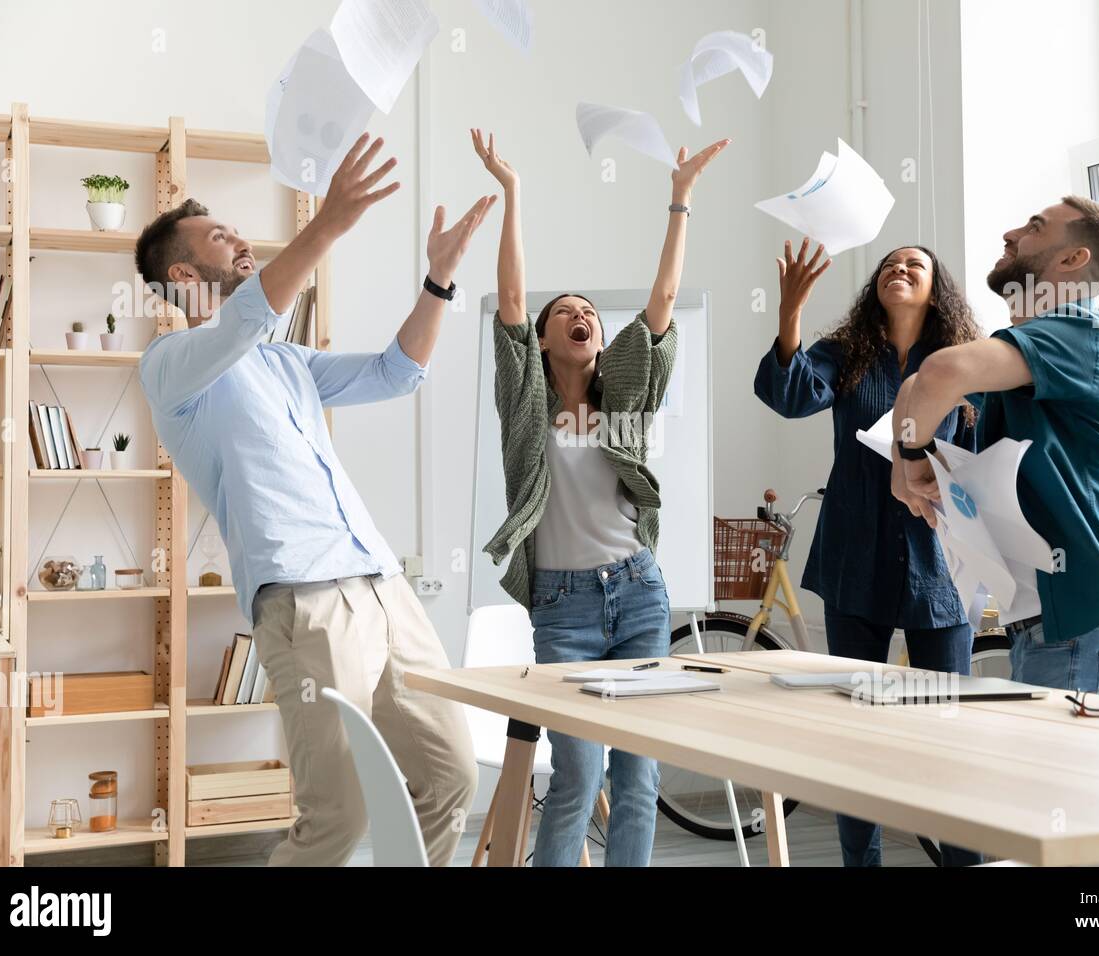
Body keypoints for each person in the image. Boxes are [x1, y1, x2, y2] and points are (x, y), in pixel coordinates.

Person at [135, 133, 497, 866]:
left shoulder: (285, 361)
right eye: (217, 234)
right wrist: (328, 222)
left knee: (451, 773)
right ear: (183, 271)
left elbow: (395, 373)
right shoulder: (172, 365)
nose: (237, 236)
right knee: (338, 812)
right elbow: (243, 320)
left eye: (234, 227)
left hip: (383, 586)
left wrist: (439, 280)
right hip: (305, 601)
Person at [475, 128, 728, 866]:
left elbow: (663, 303)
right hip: (564, 607)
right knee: (578, 774)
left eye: (588, 312)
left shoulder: (626, 397)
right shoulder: (525, 402)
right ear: (544, 341)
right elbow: (514, 301)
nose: (579, 317)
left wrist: (679, 200)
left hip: (639, 592)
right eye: (564, 314)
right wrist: (514, 192)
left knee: (638, 774)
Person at [754, 240, 984, 867]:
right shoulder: (845, 354)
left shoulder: (964, 360)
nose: (899, 270)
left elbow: (987, 440)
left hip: (940, 560)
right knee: (857, 733)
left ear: (937, 290)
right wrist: (790, 312)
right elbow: (790, 395)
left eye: (915, 265)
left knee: (948, 731)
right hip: (856, 552)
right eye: (888, 265)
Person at [891, 196, 1099, 697]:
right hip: (1059, 626)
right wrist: (903, 464)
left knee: (1066, 777)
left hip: (1089, 621)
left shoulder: (1085, 332)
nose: (1011, 233)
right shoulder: (1033, 354)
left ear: (1072, 259)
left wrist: (910, 461)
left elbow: (943, 373)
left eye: (1035, 227)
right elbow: (915, 390)